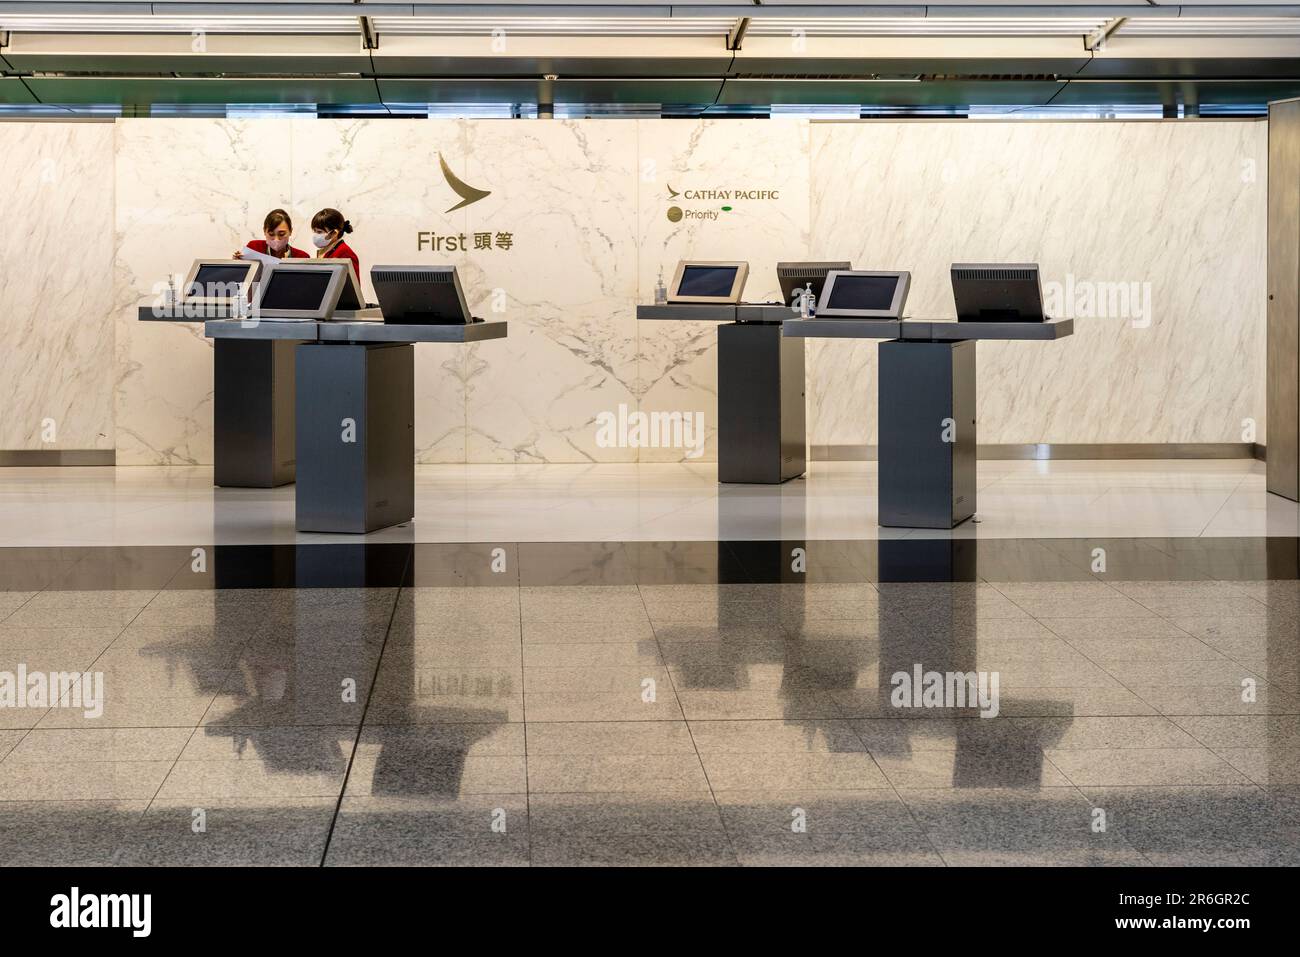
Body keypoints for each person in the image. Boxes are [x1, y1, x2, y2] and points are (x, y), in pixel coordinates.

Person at [234, 208, 309, 260]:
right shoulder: (254, 248)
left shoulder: (302, 257)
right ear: (264, 231)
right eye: (271, 234)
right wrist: (237, 264)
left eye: (281, 234)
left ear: (291, 231)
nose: (276, 239)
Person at [310, 208, 360, 278]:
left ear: (334, 233)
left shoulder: (345, 253)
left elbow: (352, 285)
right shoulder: (326, 250)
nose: (315, 235)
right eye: (314, 231)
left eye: (319, 232)